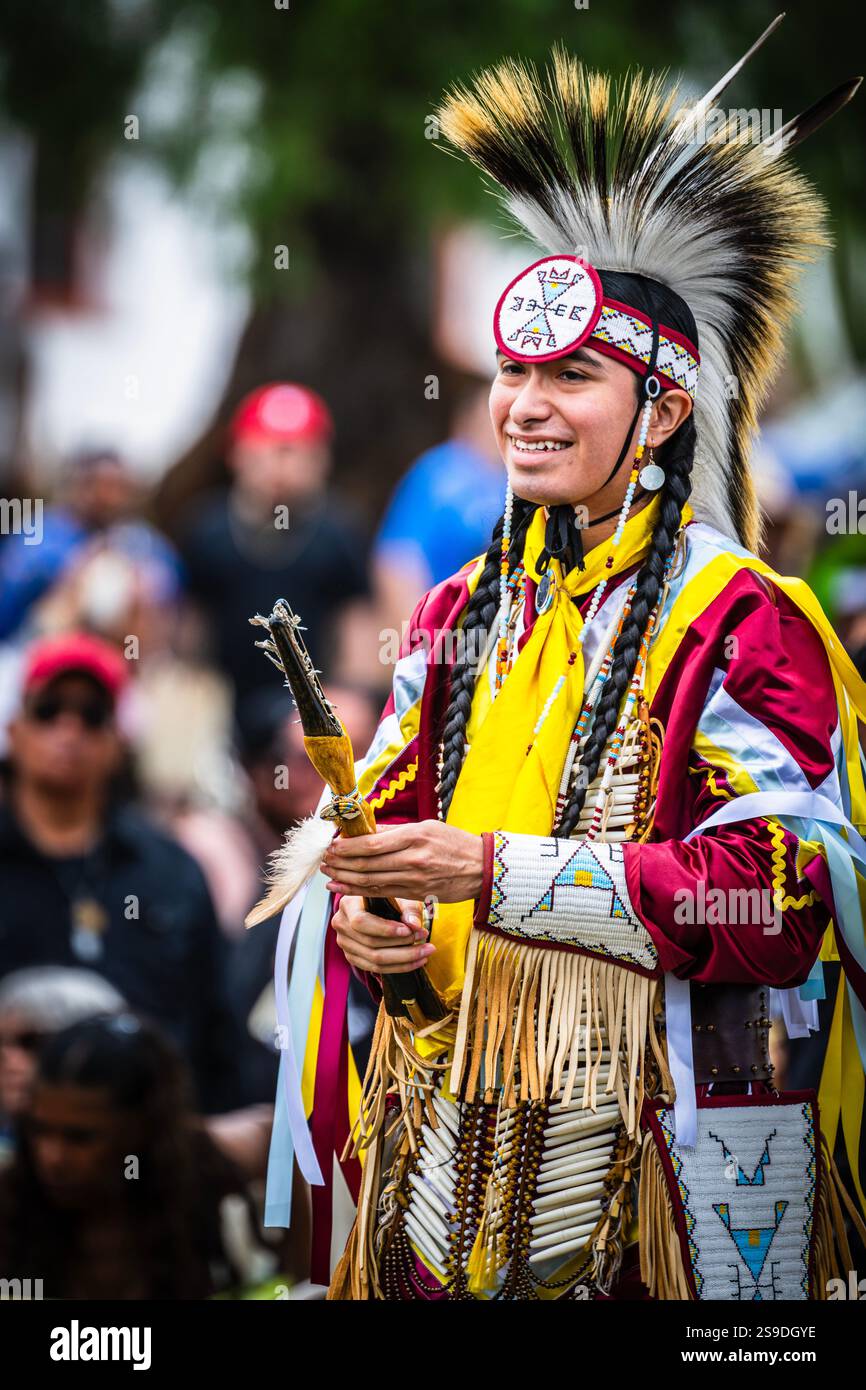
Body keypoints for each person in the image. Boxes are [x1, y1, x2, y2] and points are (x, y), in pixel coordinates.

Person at [261, 28, 866, 1301]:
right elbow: (374, 829)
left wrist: (487, 870)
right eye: (513, 370)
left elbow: (778, 901)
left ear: (660, 410)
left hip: (671, 1186)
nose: (525, 403)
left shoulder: (741, 619)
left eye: (570, 374)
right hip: (441, 1172)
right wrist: (373, 907)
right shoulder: (456, 614)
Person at [0, 632, 241, 1113]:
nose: (69, 730)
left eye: (92, 715)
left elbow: (217, 1037)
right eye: (48, 710)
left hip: (143, 1163)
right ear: (15, 730)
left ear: (117, 740)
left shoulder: (171, 873)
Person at [0, 1015, 276, 1299]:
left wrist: (299, 1278)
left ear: (138, 1128)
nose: (51, 1157)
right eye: (40, 1130)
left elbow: (276, 1136)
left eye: (80, 1137)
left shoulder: (197, 1161)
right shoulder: (14, 1200)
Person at [180, 383, 374, 708]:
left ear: (320, 460)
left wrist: (349, 699)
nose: (279, 467)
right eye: (266, 451)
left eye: (294, 452)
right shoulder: (208, 531)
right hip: (223, 703)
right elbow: (190, 630)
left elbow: (358, 631)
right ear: (238, 455)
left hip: (313, 707)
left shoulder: (339, 533)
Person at [373, 376, 504, 634]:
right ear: (464, 423)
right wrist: (423, 642)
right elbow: (398, 561)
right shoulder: (439, 474)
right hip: (443, 632)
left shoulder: (517, 482)